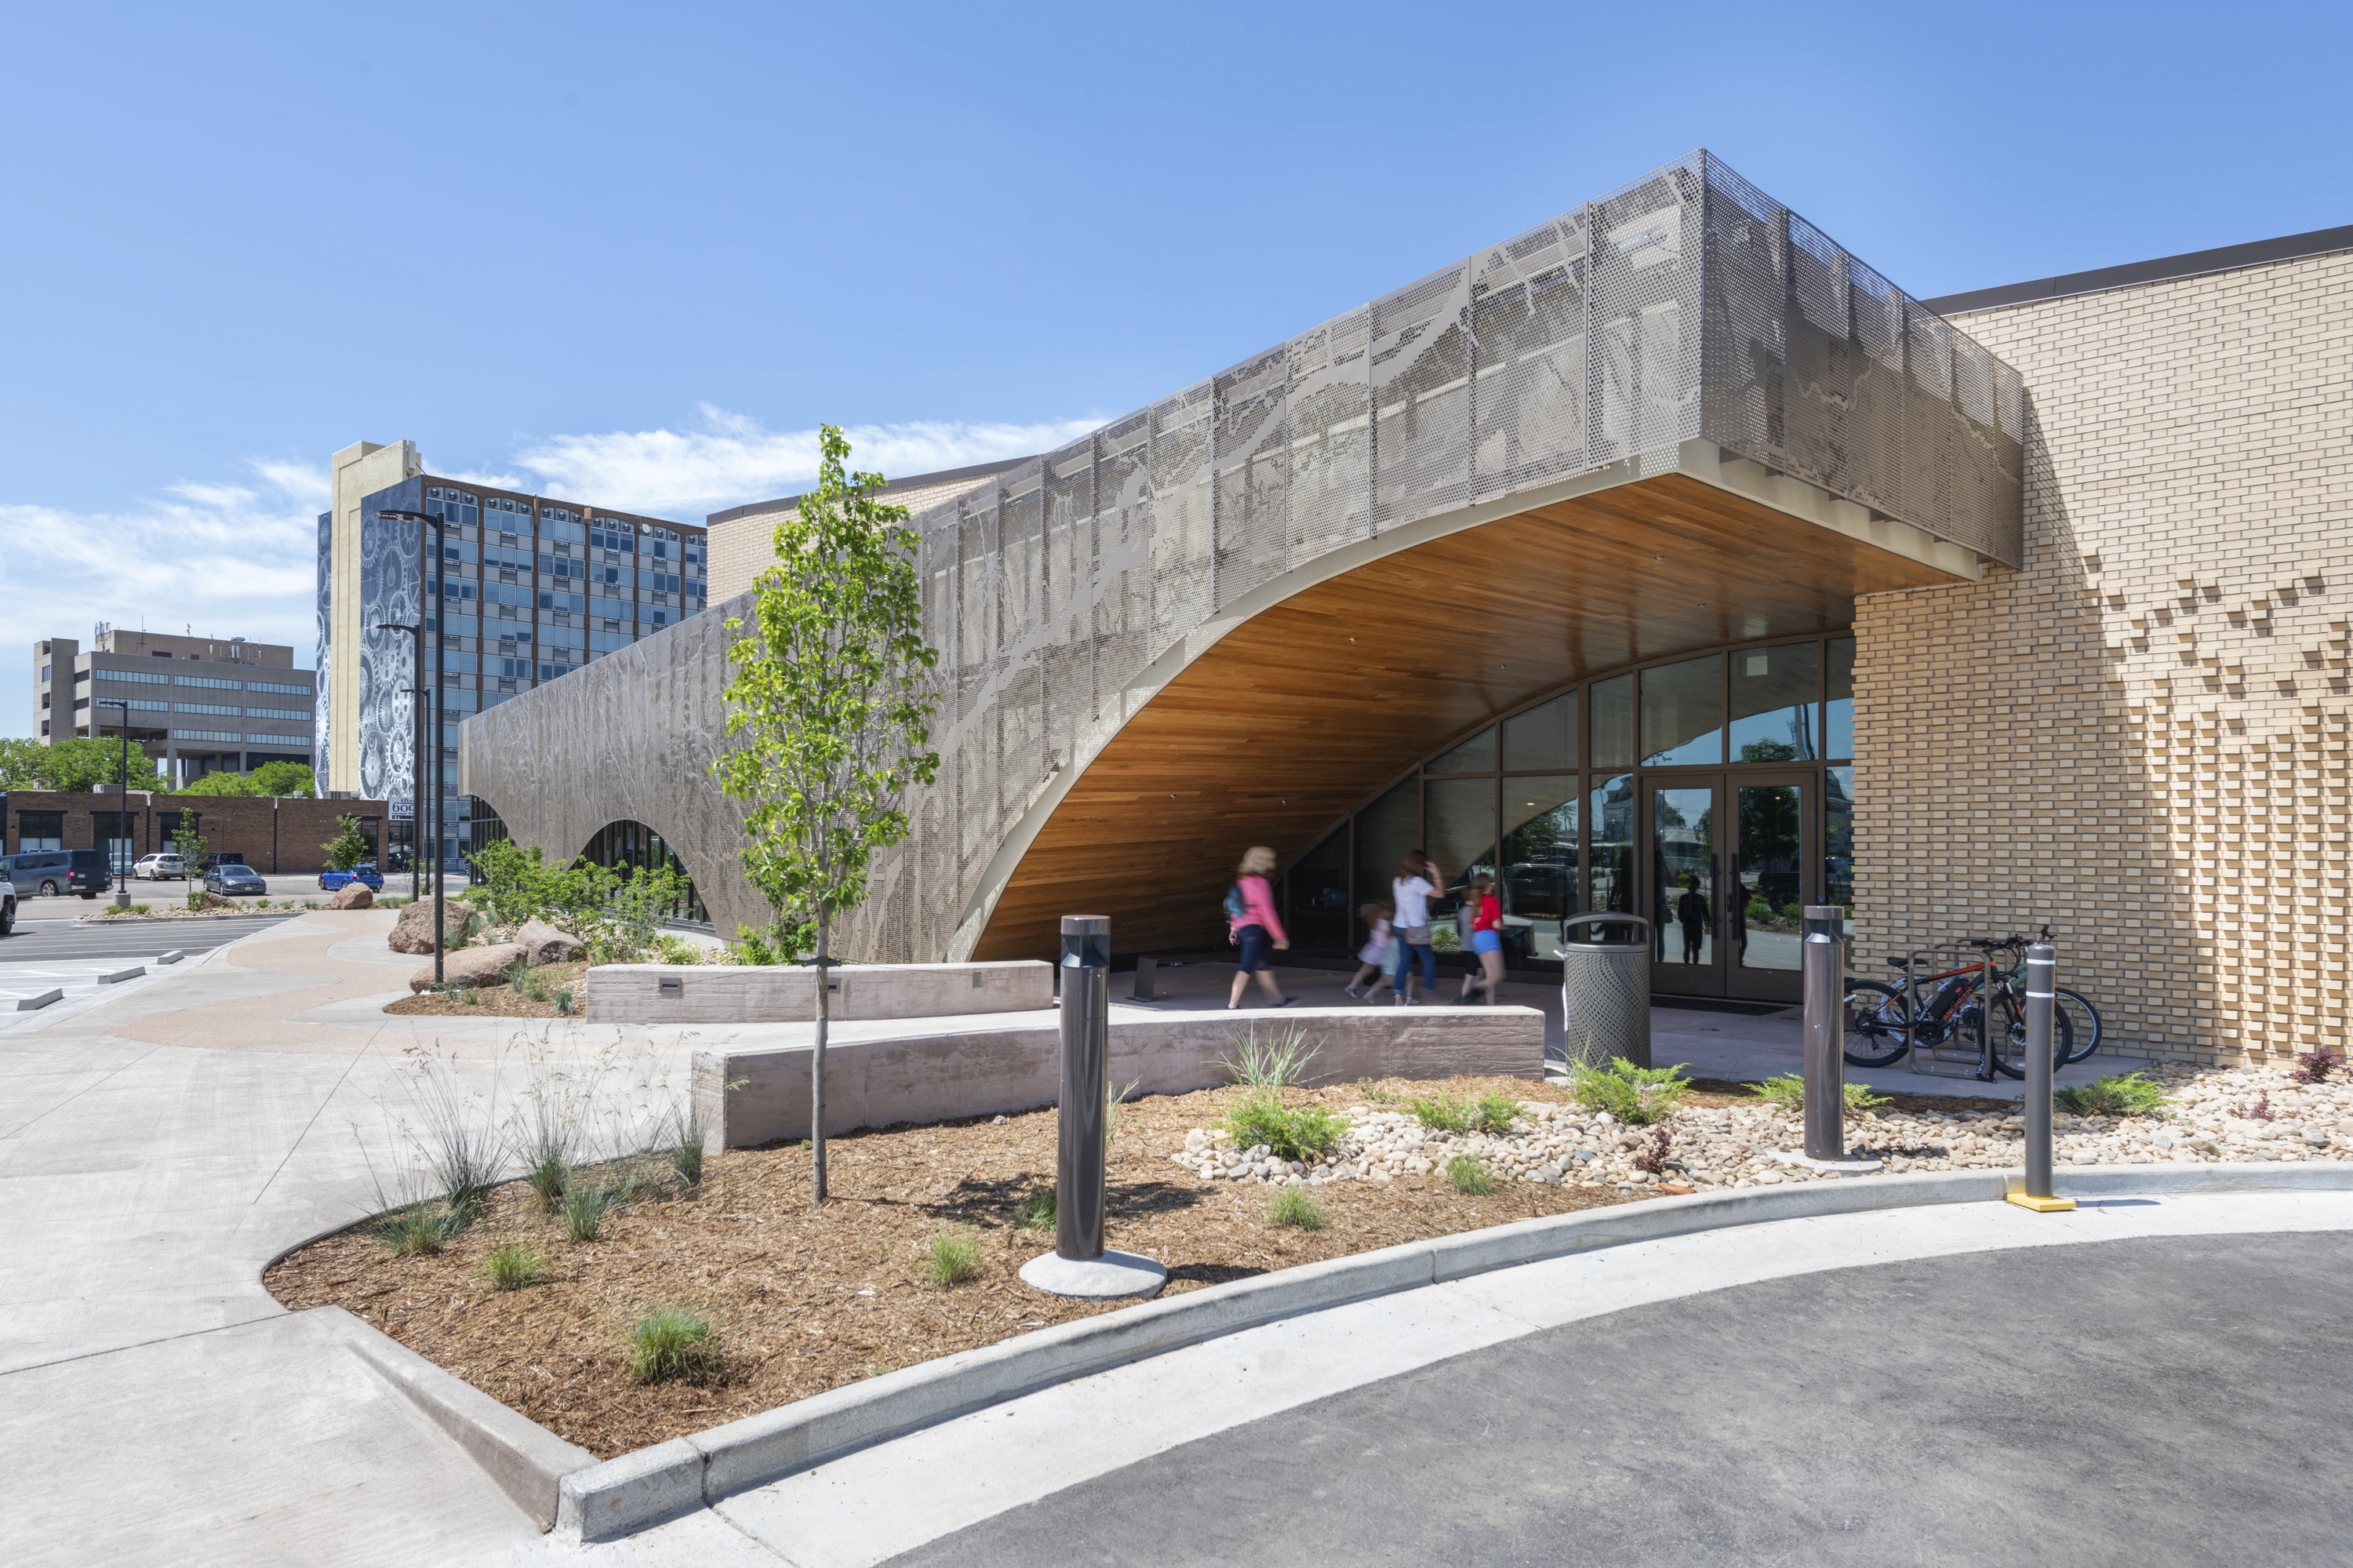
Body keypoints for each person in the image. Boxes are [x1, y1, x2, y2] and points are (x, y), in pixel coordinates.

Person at [1225, 845, 1295, 1009]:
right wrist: (1279, 936)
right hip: (1253, 929)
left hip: (1243, 929)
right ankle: (1232, 1005)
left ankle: (1277, 999)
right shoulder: (1260, 883)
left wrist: (1234, 929)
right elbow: (1267, 912)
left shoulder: (1242, 881)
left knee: (1263, 965)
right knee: (1246, 966)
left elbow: (1234, 907)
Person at [1391, 849, 1440, 1005]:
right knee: (1429, 960)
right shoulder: (1417, 882)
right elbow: (1440, 894)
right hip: (1415, 928)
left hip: (1400, 926)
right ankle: (1429, 993)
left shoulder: (1397, 881)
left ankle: (1398, 997)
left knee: (1404, 963)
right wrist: (1436, 873)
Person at [1456, 871, 1506, 1005]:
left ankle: (1490, 1005)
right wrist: (1505, 926)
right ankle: (1472, 994)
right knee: (1498, 975)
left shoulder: (1476, 901)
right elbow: (1496, 924)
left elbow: (1472, 924)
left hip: (1477, 938)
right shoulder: (1492, 900)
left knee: (1490, 976)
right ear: (1488, 885)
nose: (1492, 884)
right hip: (1489, 937)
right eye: (1491, 882)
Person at [1345, 900, 1393, 998]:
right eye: (1389, 911)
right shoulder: (1385, 923)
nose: (1390, 913)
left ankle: (1352, 986)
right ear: (1383, 912)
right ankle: (1397, 992)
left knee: (1366, 970)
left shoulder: (1374, 921)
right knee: (1389, 971)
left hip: (1372, 949)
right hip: (1382, 950)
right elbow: (1386, 938)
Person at [1675, 873, 1710, 965]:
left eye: (1693, 885)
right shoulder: (1688, 898)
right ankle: (1690, 965)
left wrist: (1707, 923)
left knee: (1694, 949)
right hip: (1690, 925)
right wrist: (1684, 919)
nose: (1692, 887)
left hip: (1695, 925)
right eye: (1691, 885)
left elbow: (1705, 913)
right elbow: (1680, 912)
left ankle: (1693, 966)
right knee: (1689, 948)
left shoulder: (1699, 898)